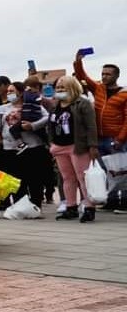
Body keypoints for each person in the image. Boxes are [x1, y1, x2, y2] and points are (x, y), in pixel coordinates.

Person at [0, 81, 53, 212]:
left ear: (20, 92)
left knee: (34, 178)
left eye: (11, 91)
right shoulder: (3, 108)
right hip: (10, 148)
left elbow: (47, 117)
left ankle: (36, 204)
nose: (9, 94)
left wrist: (32, 126)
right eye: (8, 91)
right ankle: (20, 206)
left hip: (32, 147)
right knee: (16, 180)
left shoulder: (32, 105)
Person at [49, 76, 100, 222]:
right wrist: (51, 144)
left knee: (83, 178)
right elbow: (51, 125)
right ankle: (71, 207)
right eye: (58, 87)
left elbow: (91, 126)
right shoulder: (56, 104)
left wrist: (92, 146)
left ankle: (89, 208)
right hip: (59, 146)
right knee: (67, 178)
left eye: (63, 87)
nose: (59, 90)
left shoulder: (82, 103)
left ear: (72, 87)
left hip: (77, 146)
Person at [73, 52, 127, 155]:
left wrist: (120, 139)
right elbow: (82, 78)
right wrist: (78, 61)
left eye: (108, 74)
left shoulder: (124, 94)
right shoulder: (98, 88)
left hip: (116, 139)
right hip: (98, 139)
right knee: (102, 170)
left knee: (119, 169)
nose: (104, 77)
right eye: (103, 74)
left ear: (116, 76)